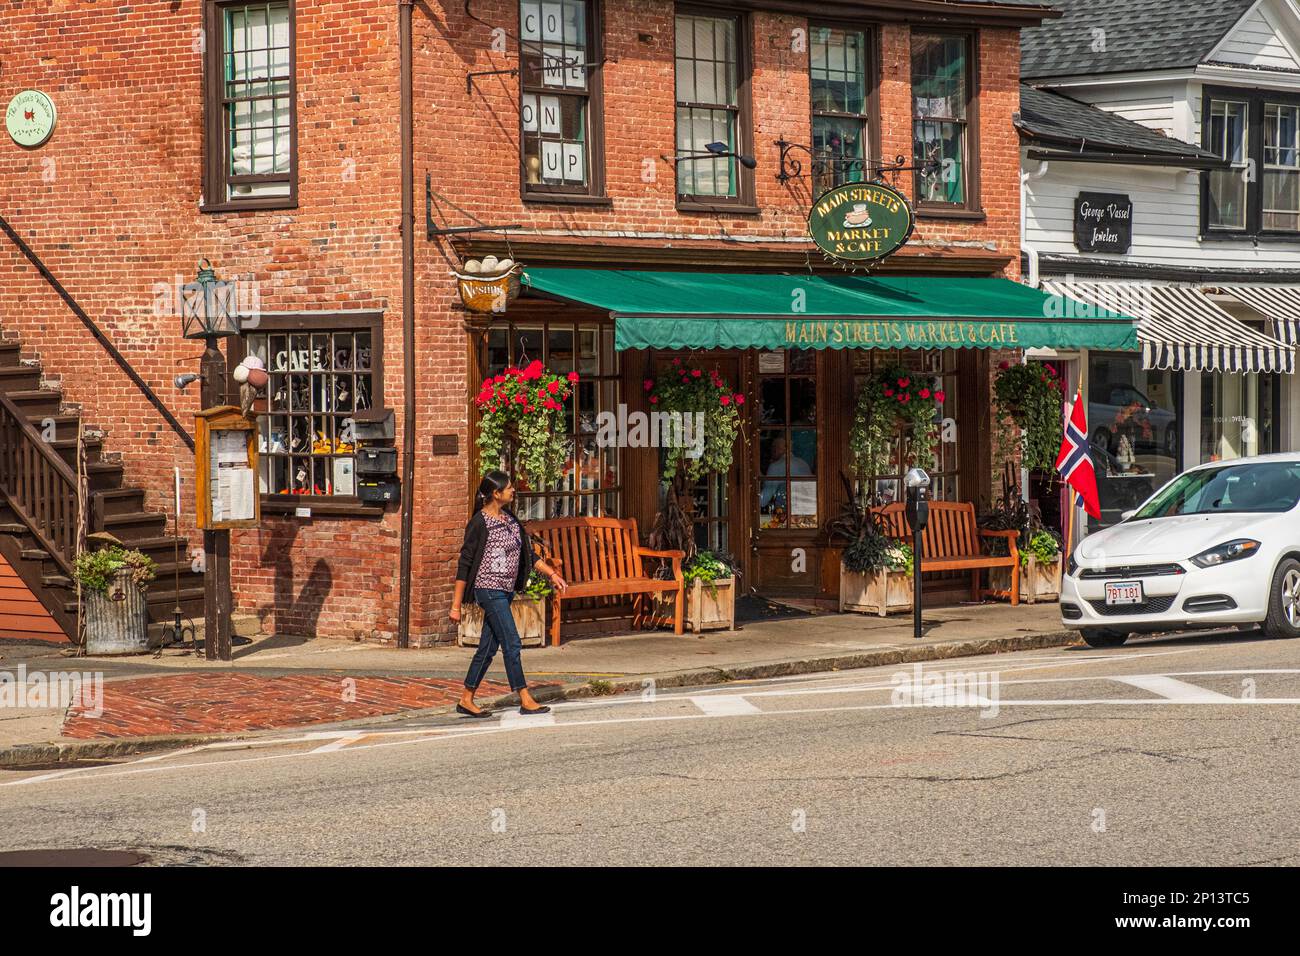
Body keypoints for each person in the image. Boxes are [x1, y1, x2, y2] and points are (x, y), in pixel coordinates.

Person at [451, 470, 567, 717]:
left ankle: (466, 698)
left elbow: (529, 555)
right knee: (512, 642)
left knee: (488, 648)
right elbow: (465, 564)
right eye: (509, 488)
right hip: (488, 588)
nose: (513, 490)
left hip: (506, 590)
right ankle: (524, 698)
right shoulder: (479, 523)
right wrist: (455, 605)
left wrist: (552, 574)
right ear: (496, 493)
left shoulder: (510, 519)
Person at [758, 436, 812, 510]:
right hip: (807, 510)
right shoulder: (803, 463)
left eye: (774, 447)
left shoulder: (775, 466)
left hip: (785, 513)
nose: (772, 450)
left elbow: (763, 500)